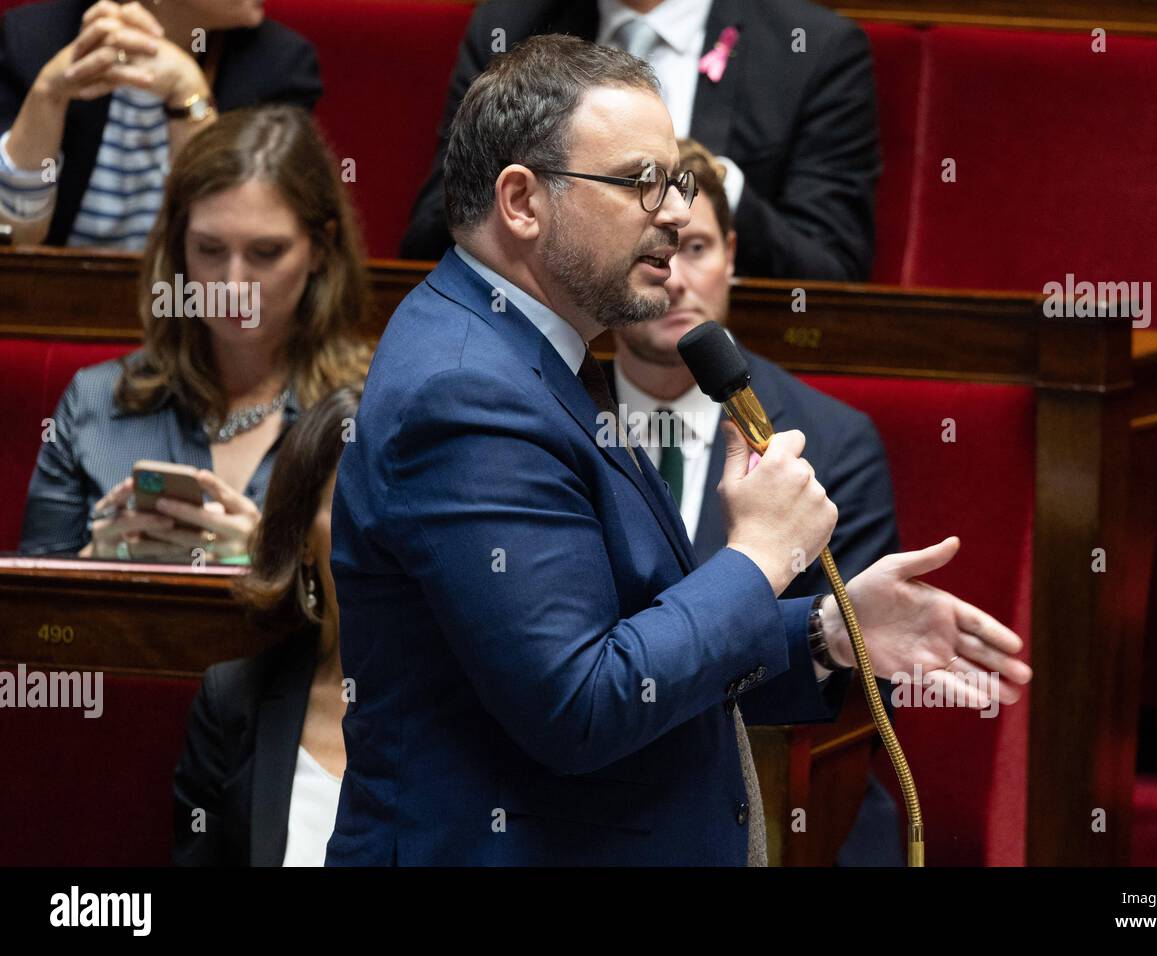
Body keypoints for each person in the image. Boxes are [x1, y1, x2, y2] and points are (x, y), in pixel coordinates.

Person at [327, 35, 1029, 867]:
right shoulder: (468, 390)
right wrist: (762, 556)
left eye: (678, 182)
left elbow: (621, 636)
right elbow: (581, 704)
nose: (672, 210)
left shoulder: (521, 350)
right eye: (638, 182)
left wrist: (820, 631)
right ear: (521, 201)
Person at [606, 136, 904, 864]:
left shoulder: (830, 441)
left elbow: (857, 688)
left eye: (697, 247)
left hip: (790, 802)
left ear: (733, 254)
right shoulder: (551, 420)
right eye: (655, 251)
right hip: (596, 799)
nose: (677, 278)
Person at [19, 105, 372, 561]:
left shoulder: (369, 411)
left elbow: (393, 620)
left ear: (320, 249)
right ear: (179, 246)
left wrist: (268, 562)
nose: (232, 285)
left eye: (266, 252)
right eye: (209, 249)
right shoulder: (97, 399)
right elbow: (34, 615)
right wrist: (93, 567)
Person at [400, 0, 881, 281]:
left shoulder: (811, 49)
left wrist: (716, 186)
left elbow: (830, 273)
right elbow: (436, 232)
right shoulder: (509, 27)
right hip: (541, 352)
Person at [173, 385, 360, 866]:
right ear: (302, 539)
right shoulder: (235, 704)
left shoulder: (480, 706)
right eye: (354, 506)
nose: (381, 533)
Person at [0, 0, 320, 248]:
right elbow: (15, 237)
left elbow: (234, 242)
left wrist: (190, 96)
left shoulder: (279, 67)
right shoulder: (31, 41)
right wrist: (47, 95)